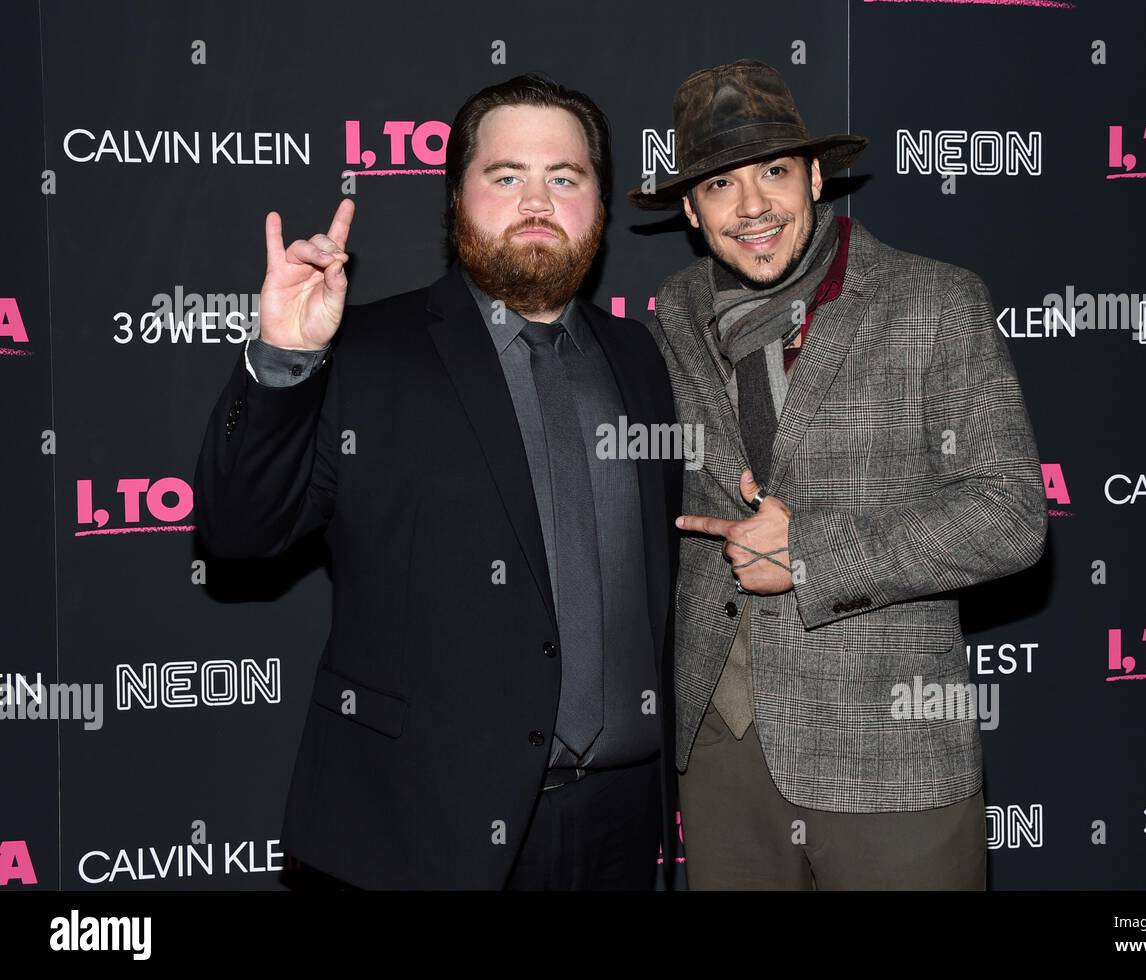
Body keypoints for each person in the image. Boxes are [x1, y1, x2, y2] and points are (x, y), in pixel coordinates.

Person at [195, 72, 681, 890]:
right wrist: (284, 359)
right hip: (421, 826)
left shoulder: (639, 357)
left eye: (565, 178)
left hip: (622, 827)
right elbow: (240, 530)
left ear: (599, 205)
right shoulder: (366, 352)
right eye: (506, 177)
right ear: (456, 198)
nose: (537, 202)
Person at [629, 59, 1047, 889]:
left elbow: (1012, 516)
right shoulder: (672, 315)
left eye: (774, 172)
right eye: (719, 185)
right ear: (689, 207)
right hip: (723, 751)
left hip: (891, 746)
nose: (751, 208)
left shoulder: (934, 301)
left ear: (816, 175)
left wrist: (812, 554)